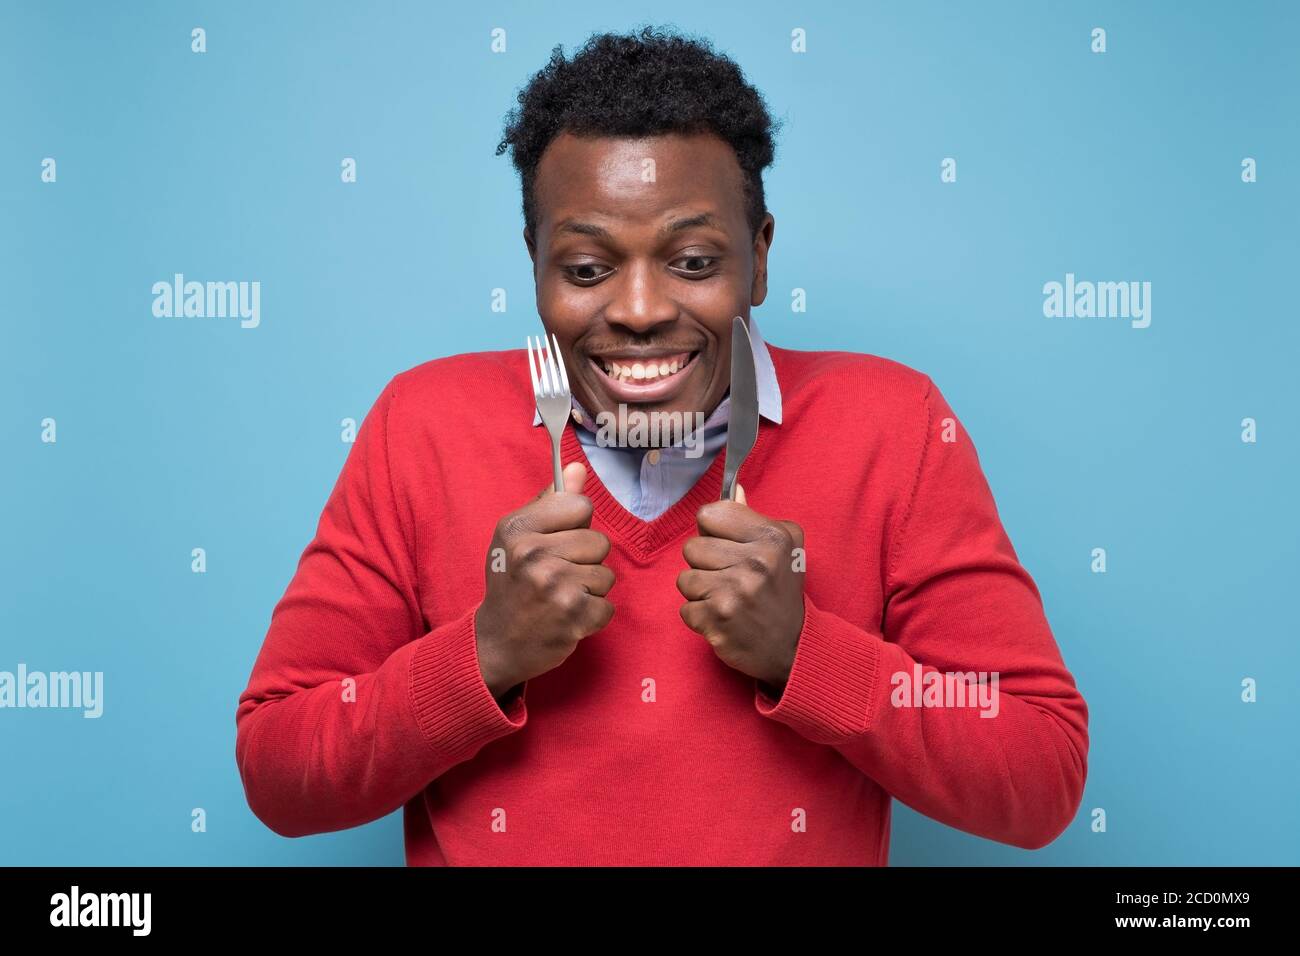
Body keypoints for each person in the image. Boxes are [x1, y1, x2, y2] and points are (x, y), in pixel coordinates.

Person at [235, 26, 1088, 865]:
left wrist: (809, 655)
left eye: (690, 261)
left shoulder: (895, 425)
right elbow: (278, 769)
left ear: (758, 258)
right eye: (586, 268)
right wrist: (484, 654)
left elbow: (1040, 769)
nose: (640, 309)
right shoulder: (419, 424)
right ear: (534, 262)